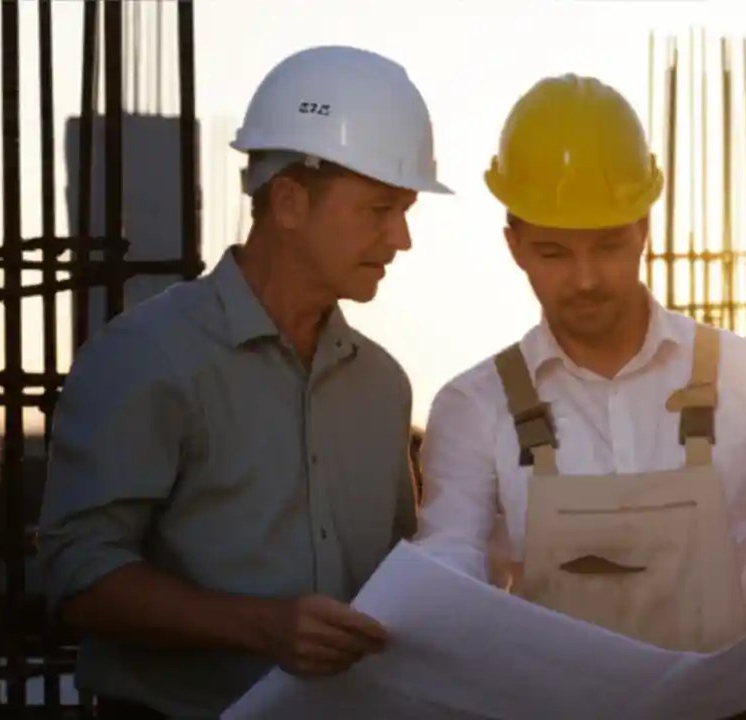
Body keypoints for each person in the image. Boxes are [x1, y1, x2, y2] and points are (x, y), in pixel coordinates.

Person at [414, 74, 746, 717]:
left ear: (645, 227)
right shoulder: (474, 408)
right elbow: (452, 574)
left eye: (609, 245)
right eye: (554, 252)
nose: (586, 278)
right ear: (513, 247)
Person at [37, 45, 451, 719]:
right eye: (379, 209)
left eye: (405, 210)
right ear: (288, 201)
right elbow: (78, 577)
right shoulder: (146, 357)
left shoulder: (382, 386)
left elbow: (397, 581)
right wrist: (263, 627)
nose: (400, 238)